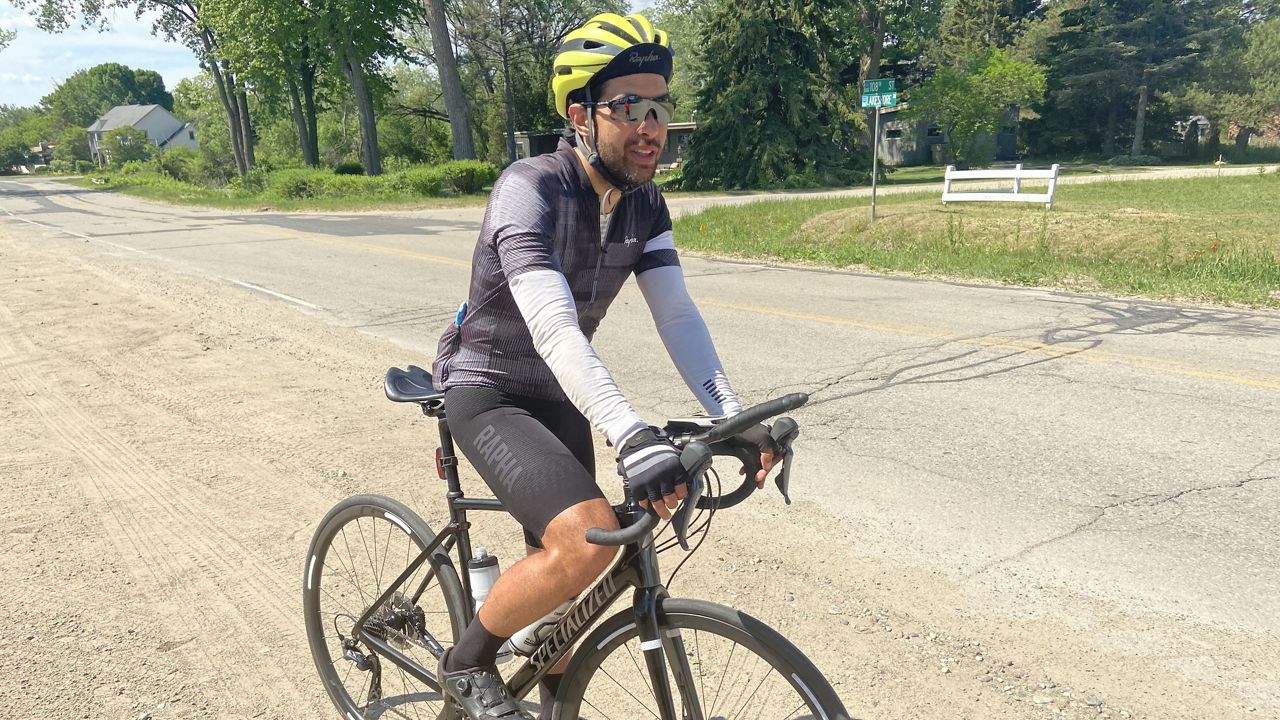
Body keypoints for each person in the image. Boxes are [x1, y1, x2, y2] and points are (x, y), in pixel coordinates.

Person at [431, 13, 782, 720]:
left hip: (558, 393)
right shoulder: (529, 188)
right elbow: (555, 324)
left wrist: (730, 416)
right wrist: (630, 433)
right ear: (580, 116)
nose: (650, 125)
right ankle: (464, 665)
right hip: (488, 388)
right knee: (586, 539)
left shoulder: (645, 204)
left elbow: (676, 315)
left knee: (572, 582)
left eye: (659, 107)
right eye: (629, 107)